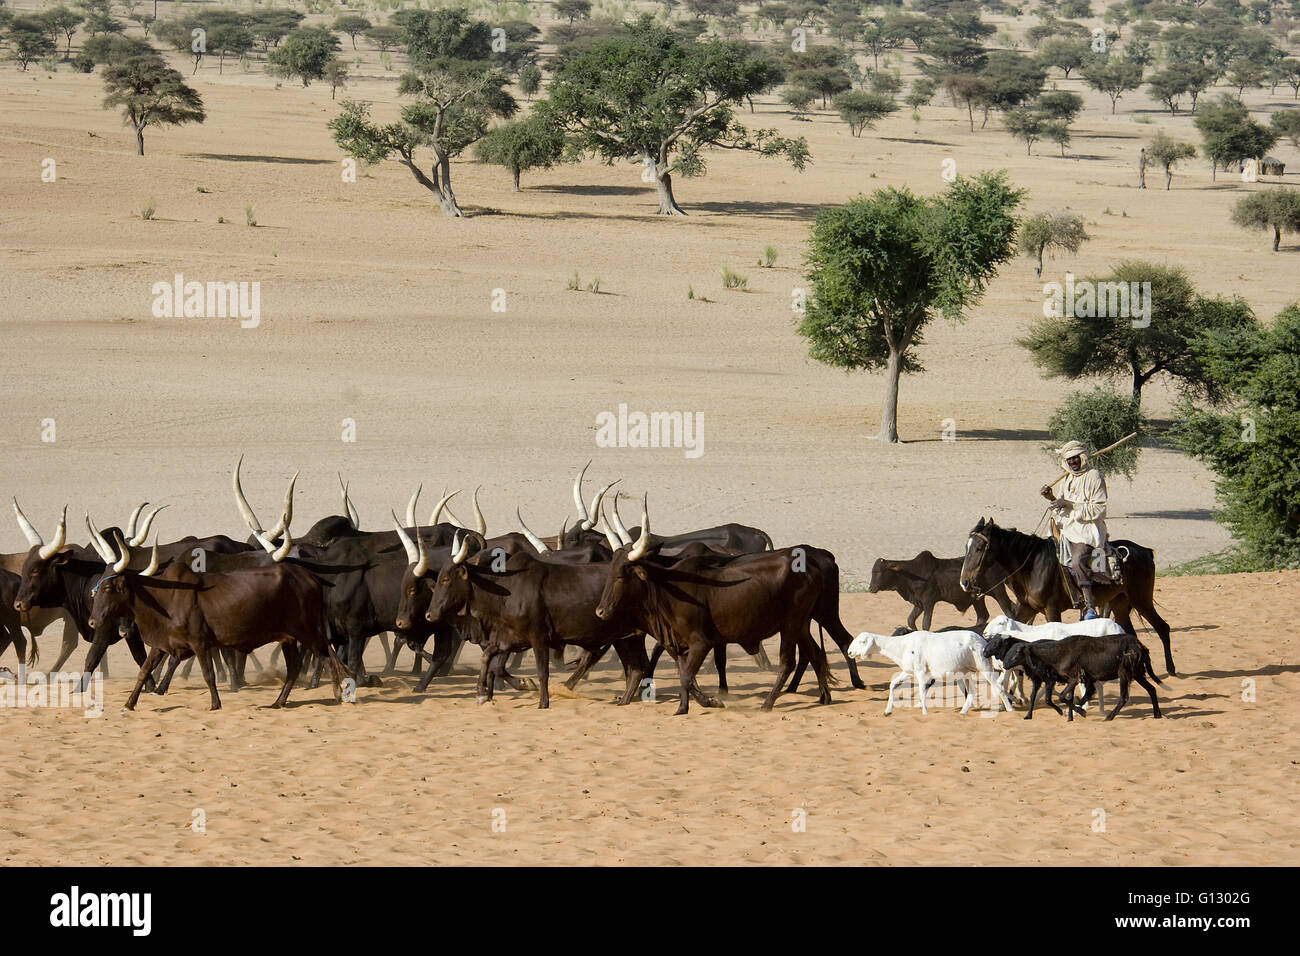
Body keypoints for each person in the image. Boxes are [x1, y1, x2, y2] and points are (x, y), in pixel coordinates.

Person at [1040, 440, 1108, 620]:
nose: (1072, 462)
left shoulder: (1095, 476)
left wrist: (1068, 503)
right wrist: (1051, 497)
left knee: (1077, 559)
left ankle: (1089, 605)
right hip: (1065, 528)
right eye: (1069, 460)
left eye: (1075, 458)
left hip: (1086, 529)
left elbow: (1099, 509)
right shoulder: (1067, 478)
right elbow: (1063, 505)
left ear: (1082, 457)